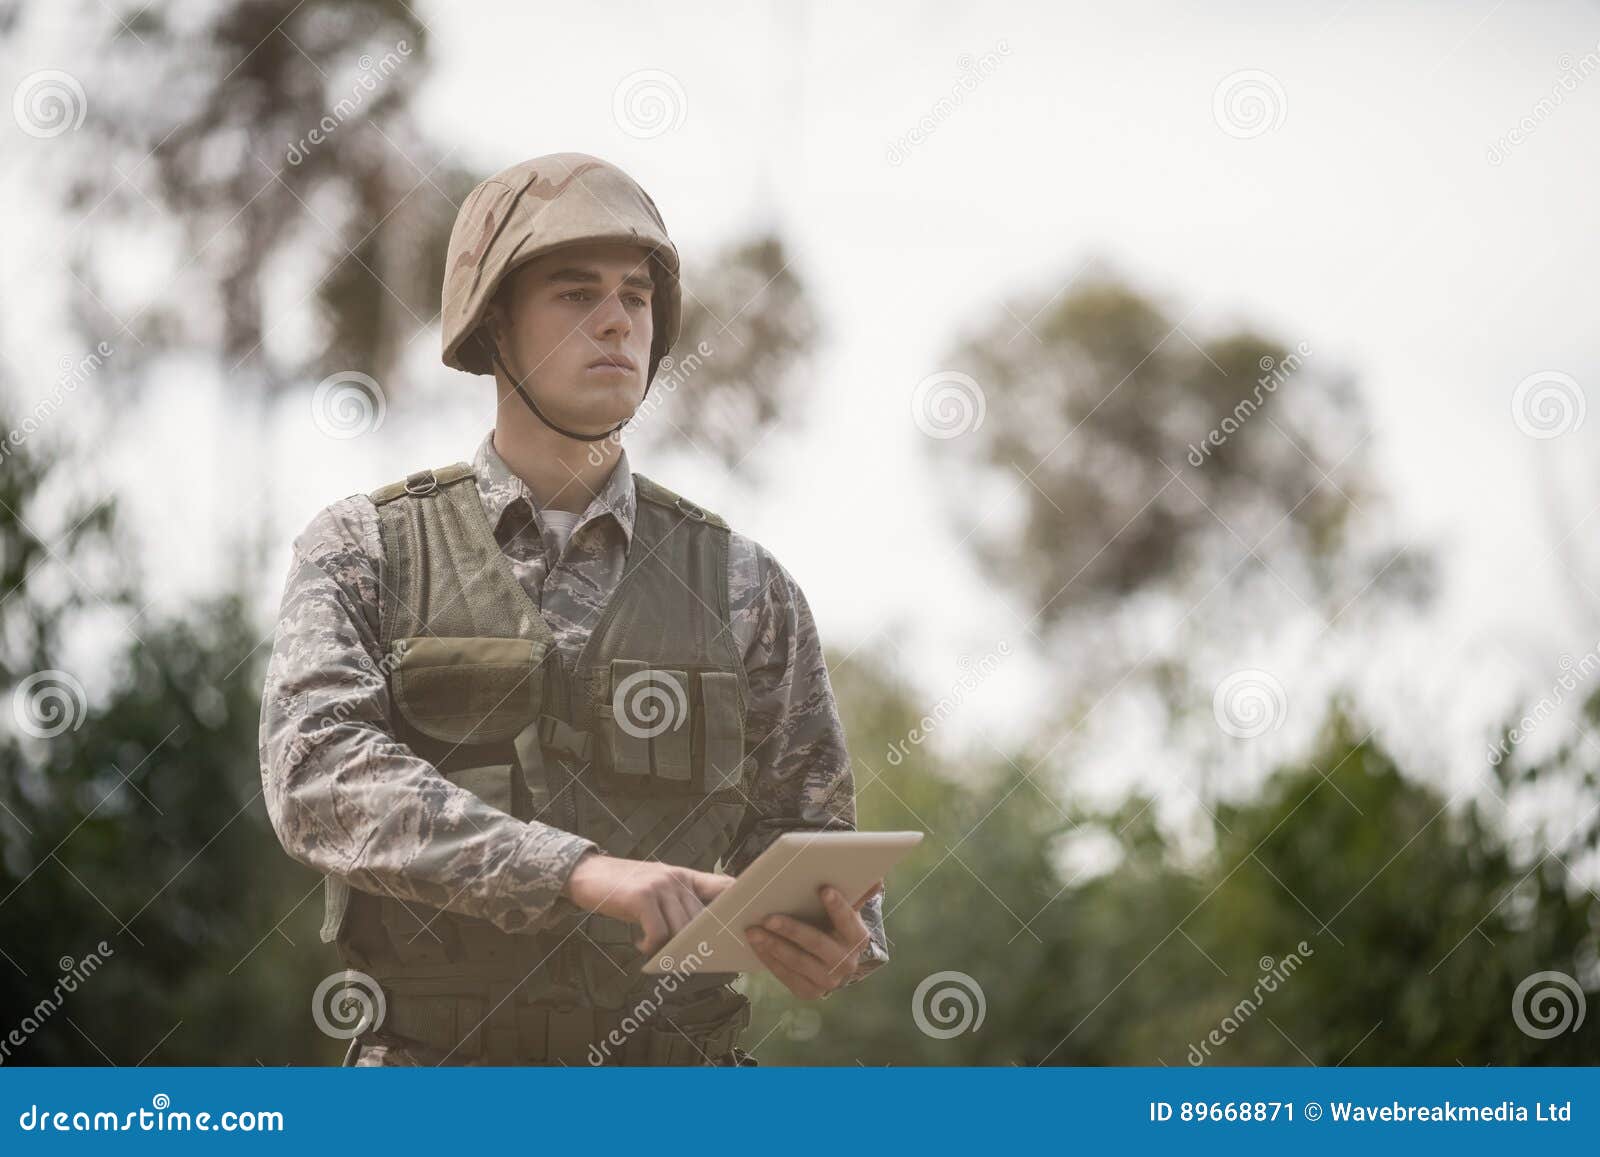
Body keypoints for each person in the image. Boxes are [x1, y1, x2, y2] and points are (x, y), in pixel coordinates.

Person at [258, 152, 889, 1066]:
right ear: (493, 323)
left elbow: (817, 846)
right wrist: (582, 873)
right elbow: (317, 778)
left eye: (636, 297)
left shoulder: (745, 587)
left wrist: (840, 935)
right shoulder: (366, 551)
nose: (616, 322)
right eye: (574, 293)